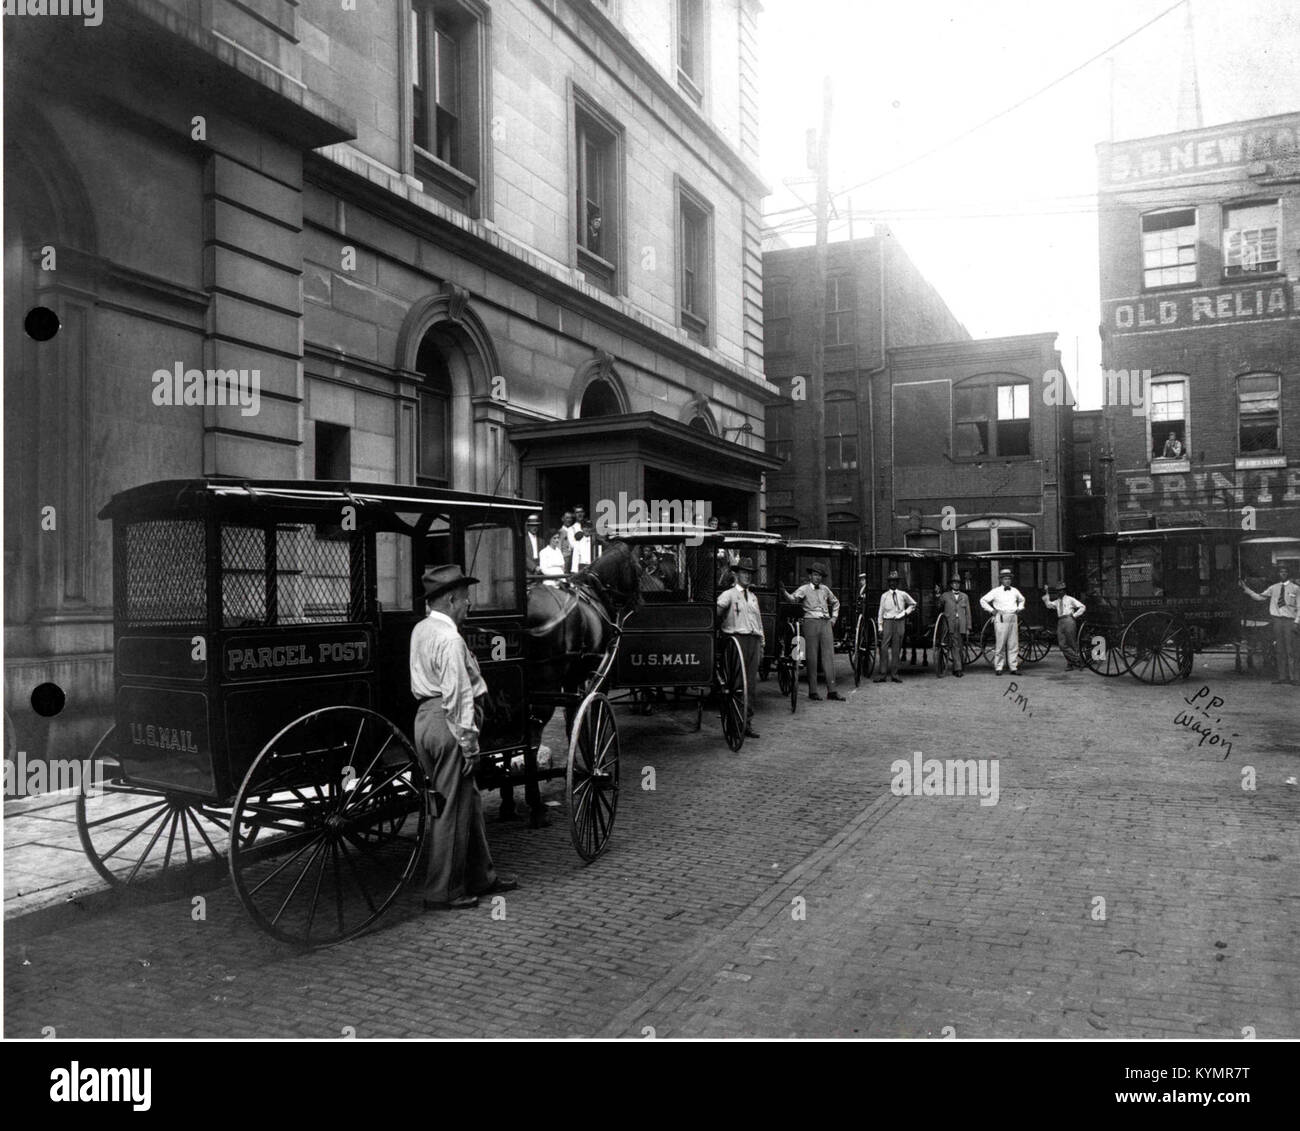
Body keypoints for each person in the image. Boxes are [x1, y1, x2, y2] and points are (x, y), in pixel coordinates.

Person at [409, 564, 518, 910]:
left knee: (467, 801)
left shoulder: (421, 630)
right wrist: (469, 745)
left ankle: (482, 876)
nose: (470, 604)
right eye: (467, 598)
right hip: (448, 723)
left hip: (426, 721)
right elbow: (458, 697)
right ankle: (443, 891)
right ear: (452, 599)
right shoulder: (450, 638)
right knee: (451, 807)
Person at [717, 557, 763, 738]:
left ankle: (747, 722)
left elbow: (758, 622)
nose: (747, 577)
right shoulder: (728, 595)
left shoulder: (753, 597)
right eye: (744, 573)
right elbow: (717, 613)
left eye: (749, 573)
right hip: (736, 641)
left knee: (750, 685)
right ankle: (734, 723)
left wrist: (762, 644)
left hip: (753, 641)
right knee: (736, 684)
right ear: (736, 575)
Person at [783, 562, 843, 700]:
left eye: (820, 576)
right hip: (810, 622)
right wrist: (784, 592)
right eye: (815, 575)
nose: (817, 578)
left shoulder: (825, 589)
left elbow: (835, 602)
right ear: (810, 576)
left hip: (825, 622)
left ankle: (832, 691)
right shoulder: (804, 589)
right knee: (812, 656)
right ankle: (813, 691)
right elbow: (793, 599)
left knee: (828, 656)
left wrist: (834, 618)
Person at [1241, 563, 1300, 684]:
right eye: (1281, 572)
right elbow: (1259, 597)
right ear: (1278, 574)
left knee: (1292, 650)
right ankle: (1282, 677)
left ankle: (1294, 678)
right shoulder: (1273, 588)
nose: (1283, 573)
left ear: (1288, 574)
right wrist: (1246, 589)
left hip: (1290, 621)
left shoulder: (1296, 588)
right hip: (1277, 621)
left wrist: (1297, 622)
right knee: (1279, 649)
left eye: (1285, 572)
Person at [981, 568, 1025, 675]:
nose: (1007, 581)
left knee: (1013, 643)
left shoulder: (1015, 590)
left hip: (1013, 617)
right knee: (1000, 643)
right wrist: (992, 610)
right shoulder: (995, 591)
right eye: (1005, 579)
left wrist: (1020, 607)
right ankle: (999, 667)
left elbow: (1022, 599)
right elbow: (983, 600)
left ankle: (1013, 667)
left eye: (1009, 579)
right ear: (1001, 580)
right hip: (1001, 618)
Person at [874, 570, 916, 684]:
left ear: (898, 582)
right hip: (887, 621)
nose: (893, 583)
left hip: (899, 622)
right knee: (883, 648)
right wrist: (880, 627)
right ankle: (882, 674)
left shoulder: (903, 594)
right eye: (891, 581)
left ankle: (895, 674)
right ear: (888, 583)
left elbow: (913, 604)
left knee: (896, 649)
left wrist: (905, 613)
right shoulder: (884, 596)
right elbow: (880, 611)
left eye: (895, 581)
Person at [1043, 582, 1087, 670]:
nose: (1059, 593)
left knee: (1071, 642)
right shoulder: (1057, 601)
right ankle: (1078, 660)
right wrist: (1046, 592)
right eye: (1057, 591)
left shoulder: (1070, 599)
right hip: (1060, 621)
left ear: (1064, 591)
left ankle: (1070, 663)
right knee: (1062, 644)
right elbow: (1048, 605)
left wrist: (1074, 615)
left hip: (1069, 620)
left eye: (1061, 591)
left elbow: (1082, 607)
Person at [936, 575, 971, 678]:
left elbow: (968, 612)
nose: (956, 584)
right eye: (954, 583)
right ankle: (957, 668)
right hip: (948, 623)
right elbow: (939, 607)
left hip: (961, 624)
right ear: (951, 584)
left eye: (958, 583)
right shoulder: (945, 595)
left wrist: (968, 626)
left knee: (959, 646)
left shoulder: (964, 596)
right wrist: (937, 596)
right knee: (951, 645)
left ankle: (958, 667)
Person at [569, 504, 596, 570]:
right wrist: (583, 536)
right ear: (574, 514)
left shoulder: (589, 525)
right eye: (577, 512)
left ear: (584, 513)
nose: (579, 514)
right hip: (579, 561)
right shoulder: (571, 529)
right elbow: (572, 545)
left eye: (581, 512)